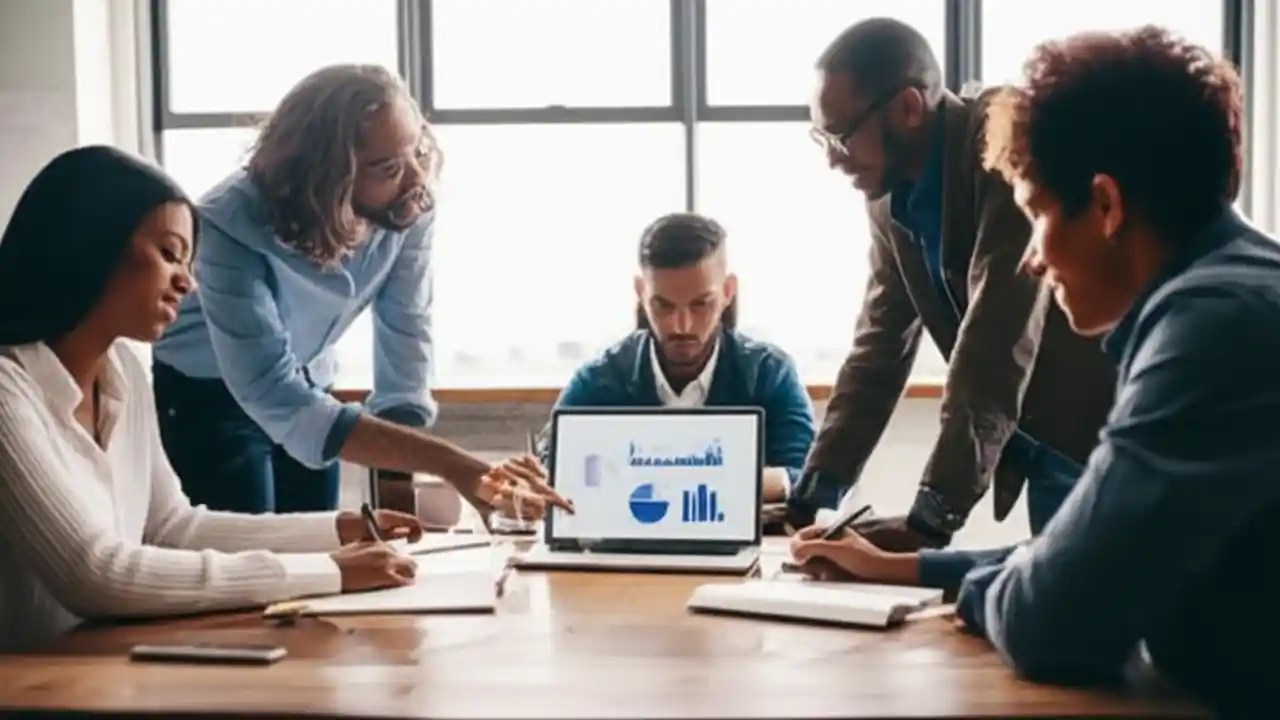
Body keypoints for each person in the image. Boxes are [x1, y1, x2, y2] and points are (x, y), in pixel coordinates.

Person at [795, 27, 1274, 713]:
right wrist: (908, 569)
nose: (1033, 261)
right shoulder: (1222, 297)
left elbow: (1056, 616)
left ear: (1106, 206)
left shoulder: (1214, 331)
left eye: (1038, 215)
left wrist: (985, 569)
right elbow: (1083, 564)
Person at [0, 146, 450, 651]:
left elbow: (173, 527)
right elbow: (95, 572)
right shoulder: (7, 388)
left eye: (188, 261)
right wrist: (326, 570)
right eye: (169, 254)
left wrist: (341, 531)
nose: (188, 282)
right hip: (29, 689)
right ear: (92, 243)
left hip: (98, 671)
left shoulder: (123, 370)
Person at [151, 64, 563, 520]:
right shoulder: (225, 223)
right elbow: (268, 386)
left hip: (308, 378)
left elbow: (407, 323)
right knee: (250, 559)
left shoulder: (406, 202)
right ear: (325, 177)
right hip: (207, 395)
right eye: (387, 167)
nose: (416, 178)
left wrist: (402, 447)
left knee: (321, 545)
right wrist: (454, 464)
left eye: (418, 151)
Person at [793, 18, 1116, 549]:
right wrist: (814, 494)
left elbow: (997, 337)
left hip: (1104, 430)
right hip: (1045, 439)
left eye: (841, 135)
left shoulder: (1003, 147)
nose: (830, 157)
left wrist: (931, 516)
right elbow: (879, 345)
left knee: (1092, 620)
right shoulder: (887, 193)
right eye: (820, 137)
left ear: (909, 108)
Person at [540, 213, 818, 512]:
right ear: (640, 293)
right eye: (663, 305)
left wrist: (666, 478)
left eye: (701, 304)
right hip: (623, 551)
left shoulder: (770, 373)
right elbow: (552, 470)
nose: (681, 325)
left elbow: (808, 481)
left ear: (727, 292)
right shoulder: (600, 378)